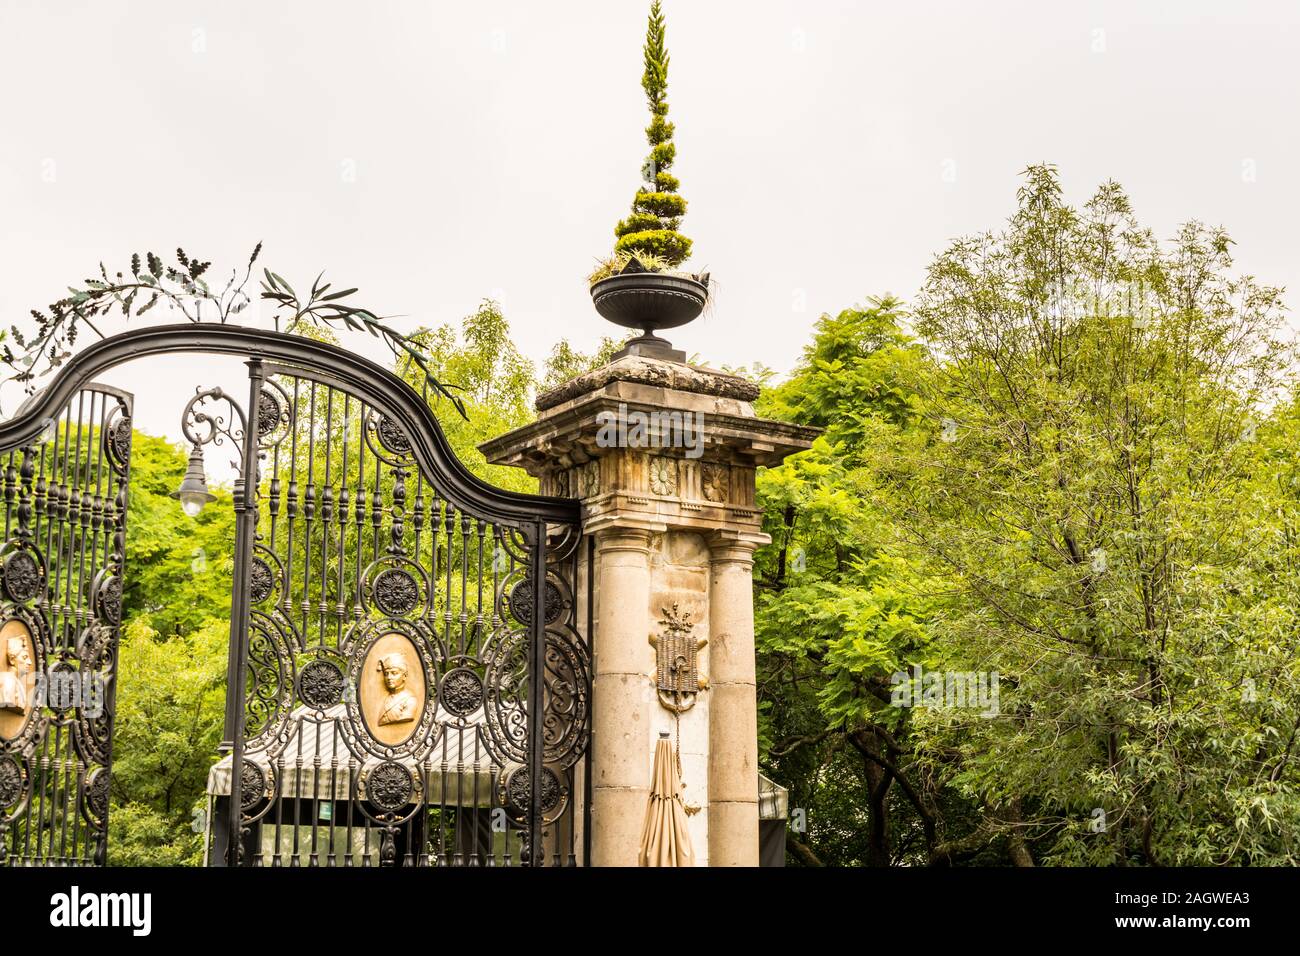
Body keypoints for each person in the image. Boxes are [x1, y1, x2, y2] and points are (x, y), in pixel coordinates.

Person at [376, 651, 416, 725]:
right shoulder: (387, 698)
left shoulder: (410, 701)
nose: (389, 677)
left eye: (394, 673)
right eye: (386, 674)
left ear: (405, 676)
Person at [0, 637, 32, 714]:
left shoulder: (18, 684)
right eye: (25, 658)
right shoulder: (5, 681)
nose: (30, 662)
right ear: (12, 660)